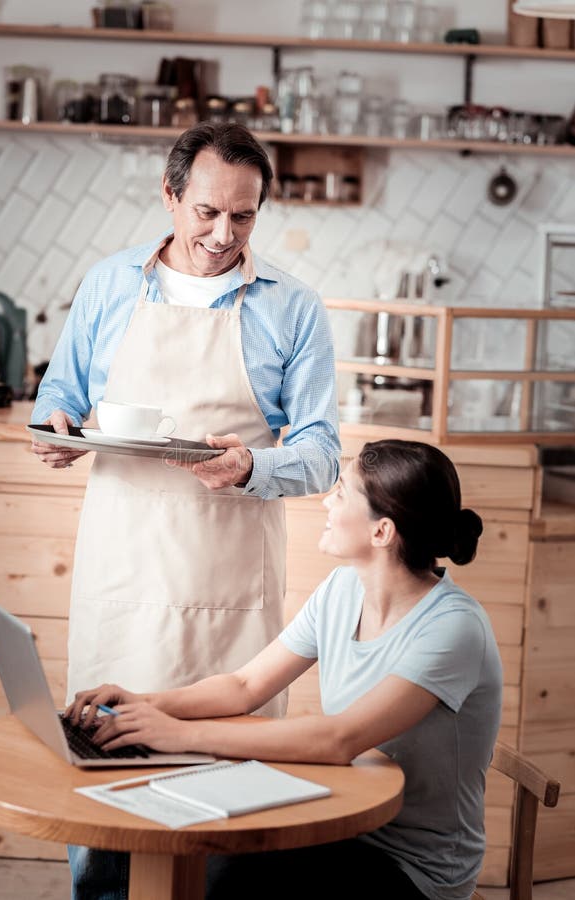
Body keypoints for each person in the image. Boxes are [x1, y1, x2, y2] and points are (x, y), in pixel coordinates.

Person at [31, 122, 340, 898]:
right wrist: (57, 432)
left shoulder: (292, 308)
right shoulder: (109, 285)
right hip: (121, 573)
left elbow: (322, 451)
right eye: (205, 212)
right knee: (103, 778)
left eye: (242, 217)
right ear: (169, 196)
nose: (222, 234)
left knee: (231, 803)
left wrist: (251, 465)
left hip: (227, 582)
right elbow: (59, 399)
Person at [69, 439, 504, 900]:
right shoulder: (342, 590)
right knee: (149, 834)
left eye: (342, 492)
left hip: (412, 868)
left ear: (382, 532)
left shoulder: (453, 628)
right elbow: (244, 685)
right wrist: (145, 703)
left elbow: (338, 740)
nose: (326, 500)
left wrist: (175, 734)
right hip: (339, 819)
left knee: (225, 875)